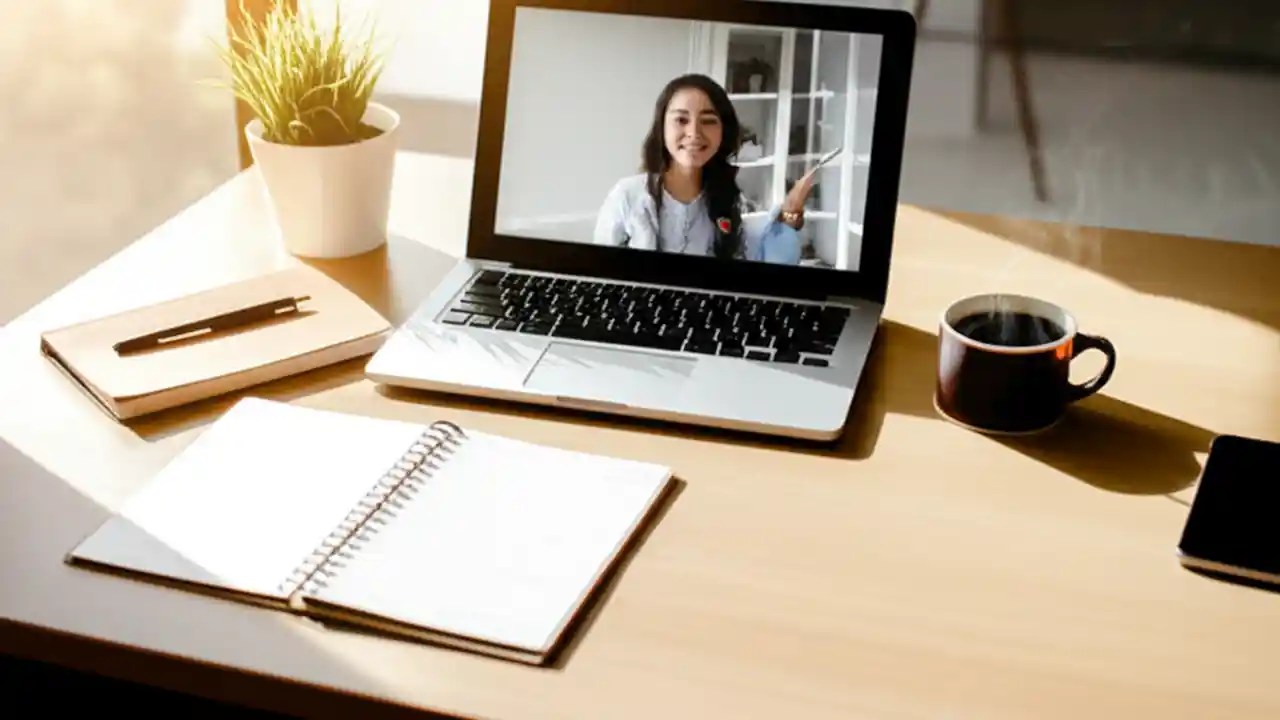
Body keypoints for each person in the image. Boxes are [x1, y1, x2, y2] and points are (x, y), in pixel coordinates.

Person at [593, 73, 819, 263]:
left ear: (723, 131)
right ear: (662, 128)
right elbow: (600, 276)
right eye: (681, 120)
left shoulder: (729, 201)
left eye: (708, 121)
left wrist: (792, 210)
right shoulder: (627, 196)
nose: (694, 133)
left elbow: (767, 271)